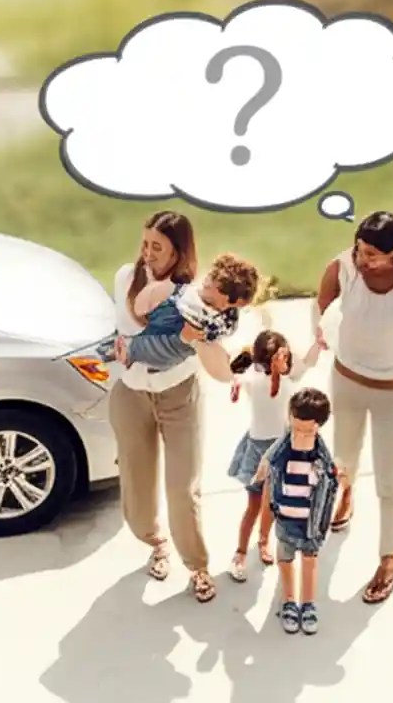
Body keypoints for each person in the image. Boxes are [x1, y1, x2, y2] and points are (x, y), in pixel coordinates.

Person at [315, 210, 393, 604]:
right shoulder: (341, 268)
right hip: (347, 380)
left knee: (389, 482)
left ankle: (389, 558)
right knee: (342, 460)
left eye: (372, 253)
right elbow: (322, 309)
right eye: (359, 248)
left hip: (392, 390)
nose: (362, 258)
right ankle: (346, 493)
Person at [109, 210, 231, 603]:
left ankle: (197, 566)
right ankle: (154, 541)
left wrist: (195, 337)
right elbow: (130, 338)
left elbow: (210, 360)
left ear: (179, 252)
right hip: (131, 395)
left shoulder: (195, 295)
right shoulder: (125, 278)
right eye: (145, 243)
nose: (148, 253)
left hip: (179, 396)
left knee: (183, 488)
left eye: (157, 247)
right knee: (137, 485)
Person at [223, 328, 326, 582]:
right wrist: (236, 381)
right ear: (273, 360)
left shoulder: (285, 380)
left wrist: (317, 344)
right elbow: (239, 377)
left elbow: (308, 363)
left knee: (270, 505)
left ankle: (262, 541)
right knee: (254, 506)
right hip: (258, 450)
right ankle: (240, 553)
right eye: (284, 356)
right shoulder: (258, 380)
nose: (289, 361)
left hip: (279, 451)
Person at [251, 387, 339, 635]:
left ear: (318, 426)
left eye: (307, 429)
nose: (299, 434)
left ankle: (308, 603)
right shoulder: (283, 446)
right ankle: (289, 600)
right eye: (296, 427)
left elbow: (329, 481)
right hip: (286, 518)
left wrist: (333, 475)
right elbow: (270, 457)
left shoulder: (320, 454)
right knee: (286, 562)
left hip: (310, 521)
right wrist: (263, 468)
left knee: (309, 561)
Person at [110, 253, 257, 372]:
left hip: (166, 343)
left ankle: (127, 350)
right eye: (211, 275)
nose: (207, 281)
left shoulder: (213, 322)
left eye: (212, 284)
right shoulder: (198, 293)